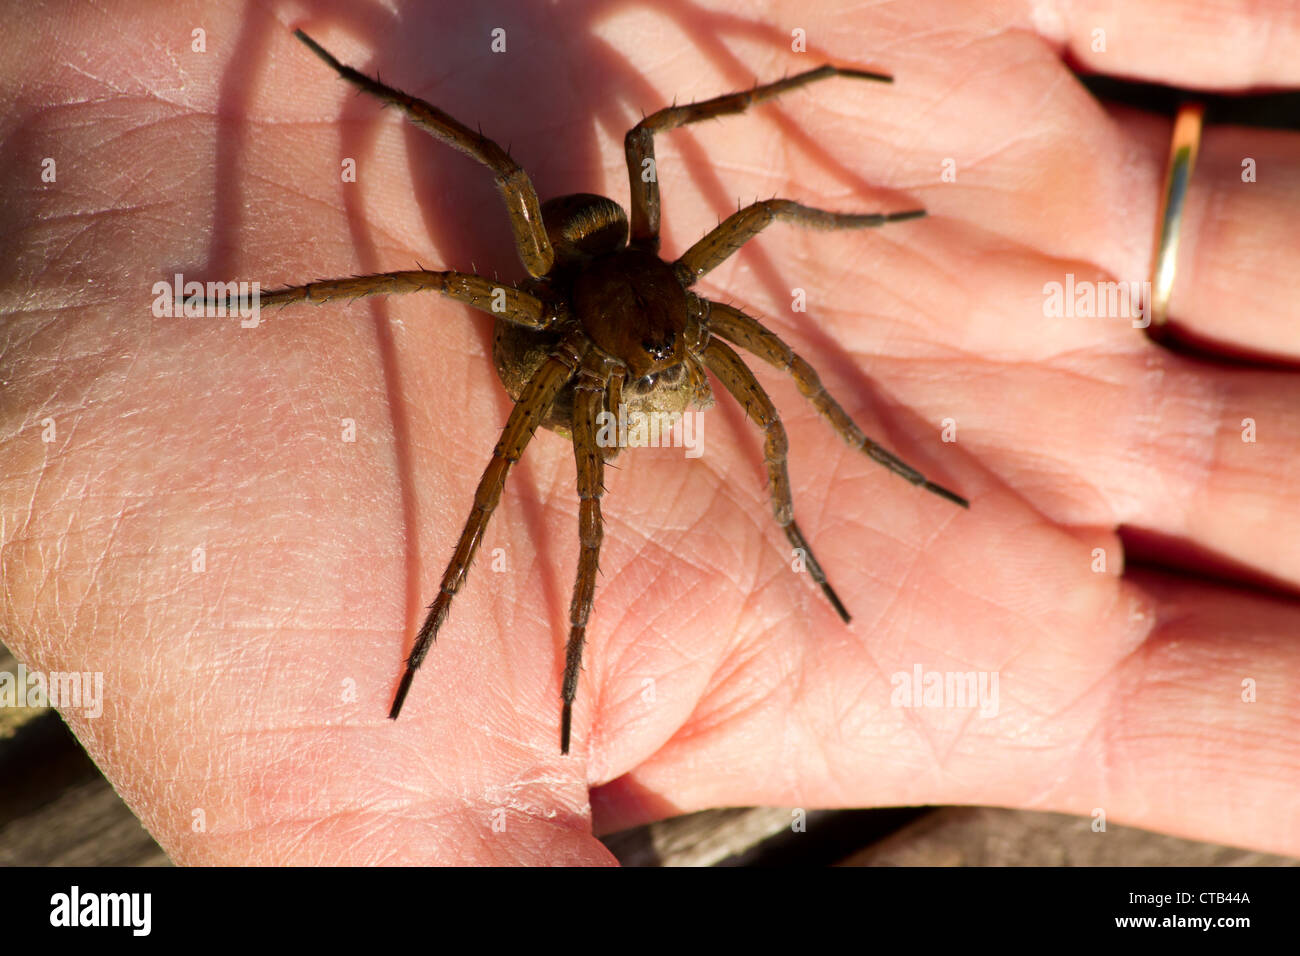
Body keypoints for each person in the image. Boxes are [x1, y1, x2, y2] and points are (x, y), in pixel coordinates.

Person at [1, 0, 1297, 865]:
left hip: (621, 285)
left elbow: (709, 187)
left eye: (684, 327)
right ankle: (474, 585)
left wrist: (840, 454)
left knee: (772, 367)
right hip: (553, 318)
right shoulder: (557, 336)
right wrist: (280, 264)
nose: (684, 347)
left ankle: (845, 479)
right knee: (552, 404)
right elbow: (484, 226)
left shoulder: (695, 306)